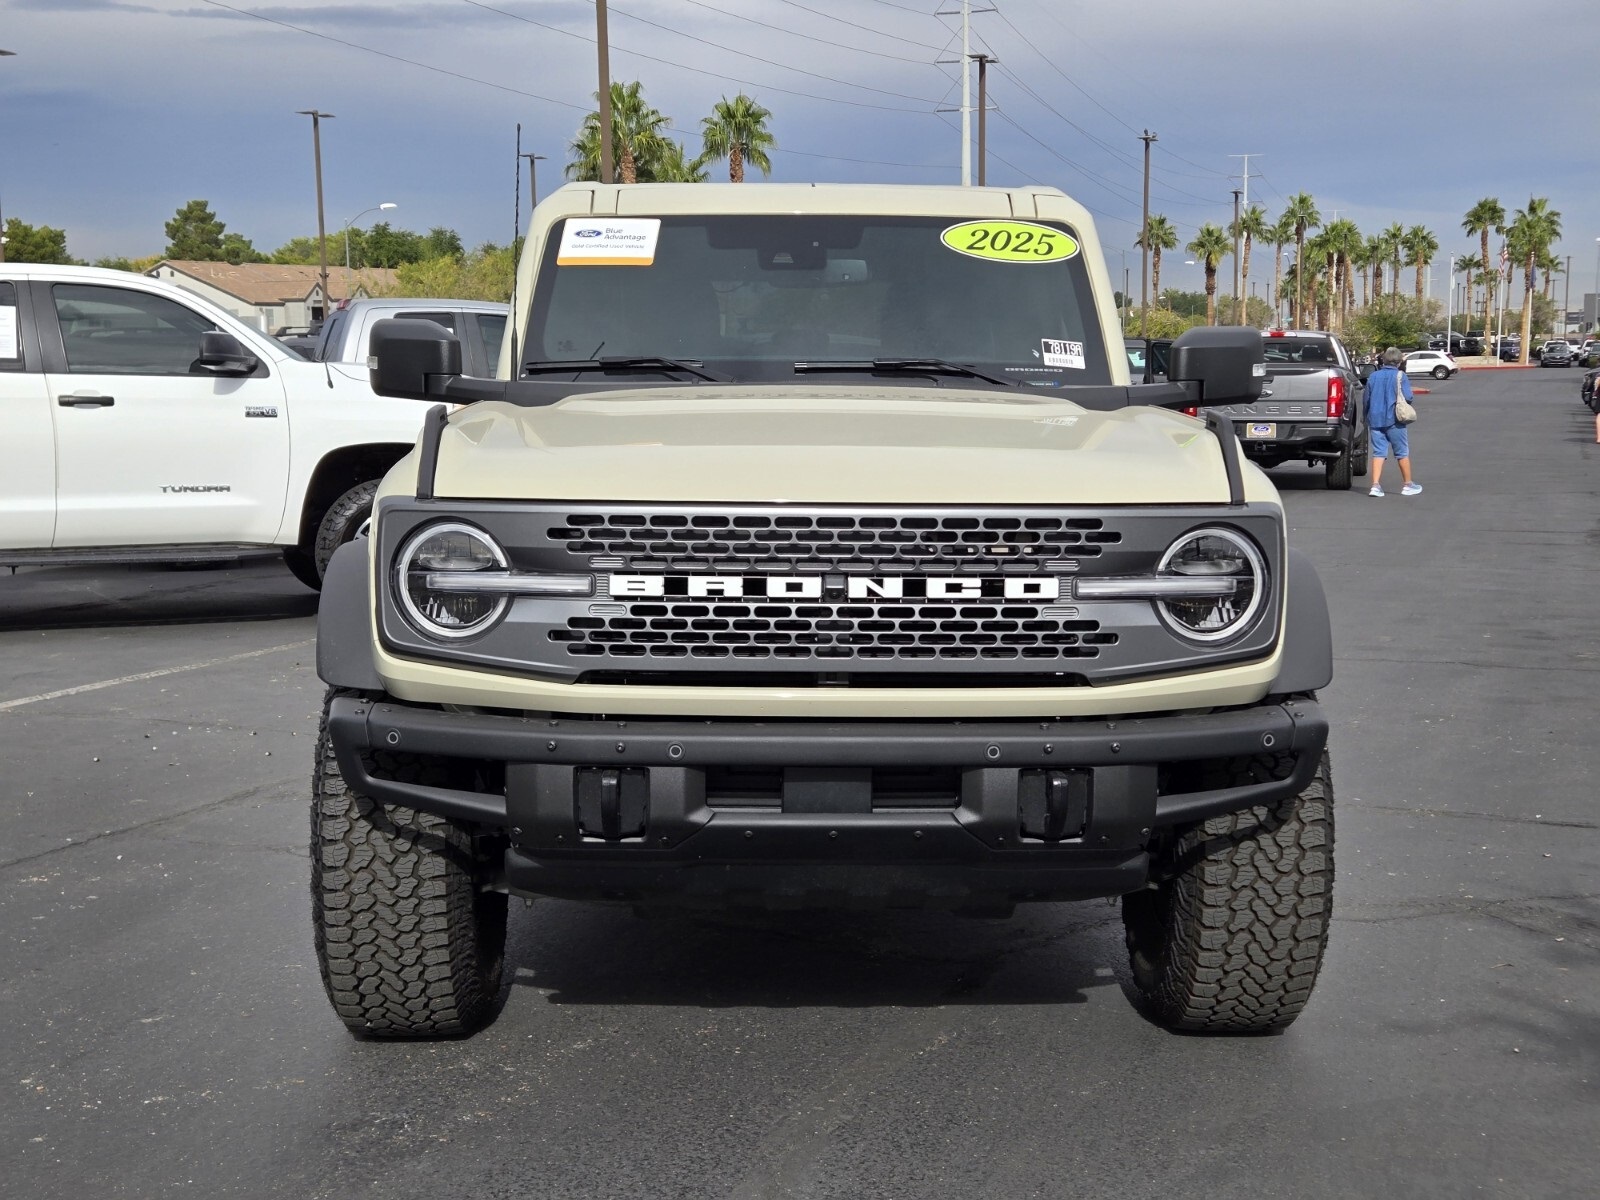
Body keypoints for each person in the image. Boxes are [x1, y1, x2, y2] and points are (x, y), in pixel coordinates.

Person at [1366, 347, 1421, 497]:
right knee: (1402, 452)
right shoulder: (1400, 376)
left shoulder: (1373, 376)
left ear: (1384, 360)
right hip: (1395, 420)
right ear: (1398, 362)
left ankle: (1375, 486)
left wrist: (1365, 417)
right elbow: (1408, 397)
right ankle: (1408, 484)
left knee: (1378, 453)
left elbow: (1367, 399)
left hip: (1375, 420)